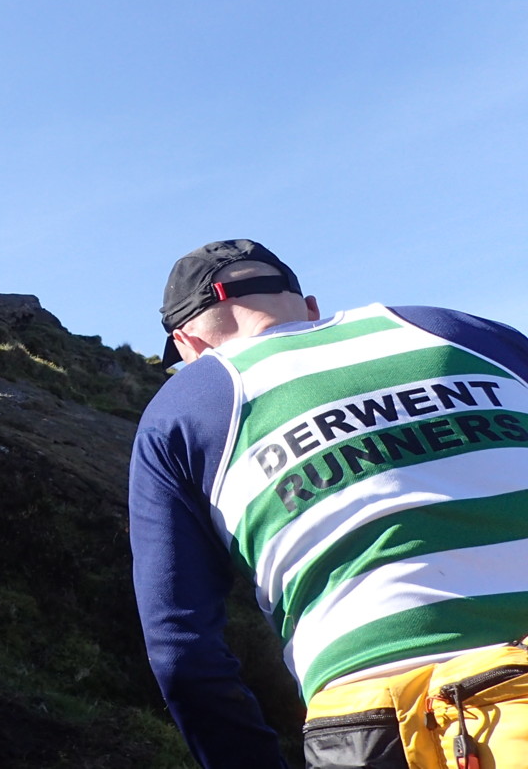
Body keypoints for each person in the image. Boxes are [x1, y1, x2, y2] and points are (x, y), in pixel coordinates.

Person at [130, 238, 528, 769]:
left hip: (366, 721)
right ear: (310, 307)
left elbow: (182, 649)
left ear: (187, 345)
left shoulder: (182, 409)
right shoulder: (459, 331)